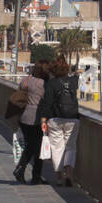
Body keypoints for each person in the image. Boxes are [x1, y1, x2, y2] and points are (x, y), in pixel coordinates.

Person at [38, 57, 80, 187]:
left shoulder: (51, 83)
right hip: (72, 118)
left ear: (53, 70)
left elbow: (47, 104)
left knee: (57, 148)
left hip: (55, 119)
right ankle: (70, 175)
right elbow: (77, 78)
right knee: (70, 147)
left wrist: (43, 120)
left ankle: (59, 178)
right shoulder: (73, 81)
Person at [14, 61, 46, 185]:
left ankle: (26, 172)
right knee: (36, 148)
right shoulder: (42, 84)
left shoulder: (25, 80)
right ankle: (28, 173)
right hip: (35, 118)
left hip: (23, 117)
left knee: (31, 145)